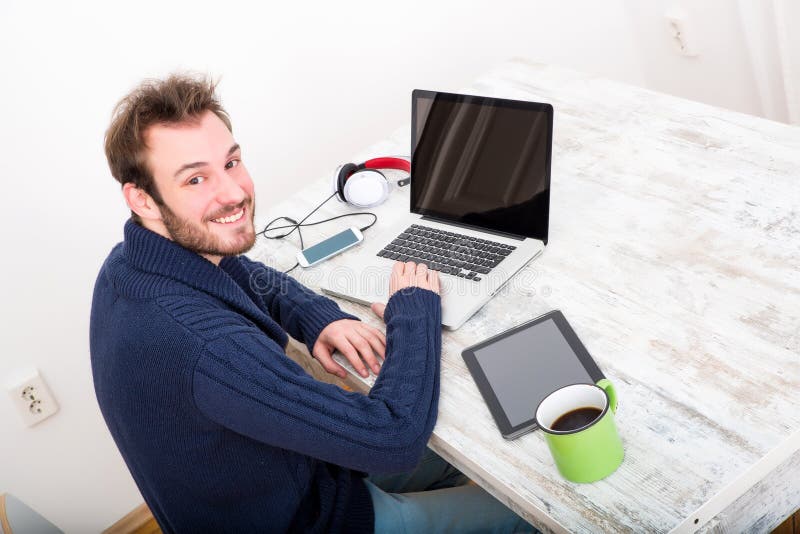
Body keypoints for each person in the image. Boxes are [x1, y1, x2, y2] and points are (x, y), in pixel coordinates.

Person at [90, 74, 533, 533]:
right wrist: (415, 310)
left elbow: (245, 273)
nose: (234, 193)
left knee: (476, 458)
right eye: (196, 178)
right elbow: (393, 437)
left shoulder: (134, 260)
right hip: (315, 520)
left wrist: (318, 318)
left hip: (285, 478)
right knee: (524, 510)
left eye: (232, 162)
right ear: (141, 198)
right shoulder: (208, 349)